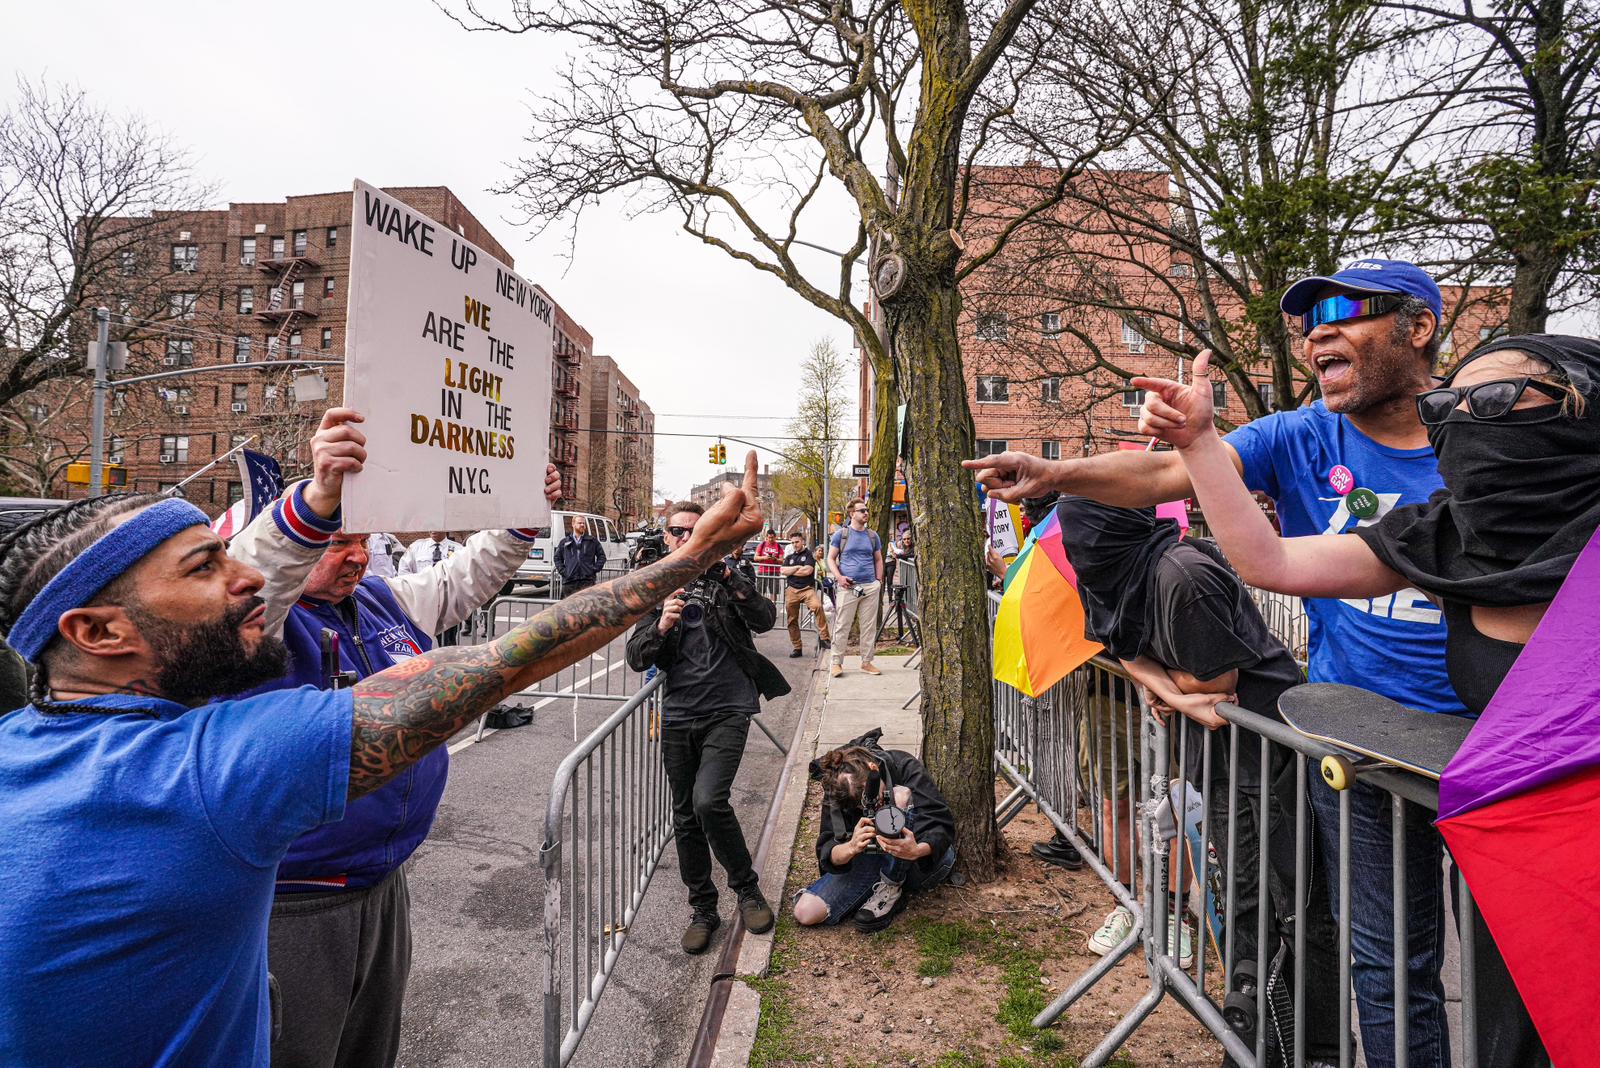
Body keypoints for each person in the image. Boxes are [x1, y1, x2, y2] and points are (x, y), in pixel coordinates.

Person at [0, 441, 766, 1066]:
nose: (250, 579)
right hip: (302, 910)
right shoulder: (214, 769)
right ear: (97, 633)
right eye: (207, 567)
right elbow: (515, 658)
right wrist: (690, 556)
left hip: (376, 886)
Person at [965, 258, 1460, 1067]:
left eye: (1346, 310)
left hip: (1502, 740)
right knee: (1391, 965)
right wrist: (1058, 473)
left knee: (1526, 965)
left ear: (1421, 326)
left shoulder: (1488, 435)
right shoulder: (1300, 435)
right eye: (1307, 322)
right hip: (1360, 749)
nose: (1318, 331)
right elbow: (1167, 470)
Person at [1133, 335, 1599, 1068]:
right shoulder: (1448, 531)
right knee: (1492, 1006)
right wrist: (1198, 443)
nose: (1468, 419)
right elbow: (1272, 560)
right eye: (1450, 406)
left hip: (1579, 852)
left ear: (1583, 405)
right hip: (1503, 826)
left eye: (1499, 400)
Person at [224, 415, 563, 1068]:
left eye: (362, 541)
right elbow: (254, 573)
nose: (354, 555)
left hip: (382, 885)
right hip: (295, 903)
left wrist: (523, 516)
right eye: (333, 542)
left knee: (369, 1051)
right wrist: (315, 499)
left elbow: (464, 579)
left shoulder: (383, 600)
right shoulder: (253, 630)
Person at [1054, 495, 1341, 1058]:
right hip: (1213, 755)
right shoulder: (1112, 576)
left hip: (1269, 750)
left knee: (1298, 908)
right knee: (1238, 895)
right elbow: (1124, 653)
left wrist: (1173, 690)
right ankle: (1257, 1039)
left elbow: (1216, 683)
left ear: (1111, 531)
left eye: (1083, 535)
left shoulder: (1182, 577)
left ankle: (1321, 1046)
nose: (1076, 550)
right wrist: (1171, 693)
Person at [625, 501, 792, 955]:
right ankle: (703, 908)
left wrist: (727, 576)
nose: (685, 538)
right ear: (667, 538)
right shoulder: (656, 585)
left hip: (728, 707)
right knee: (685, 814)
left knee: (709, 800)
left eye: (694, 531)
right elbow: (637, 656)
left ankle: (747, 890)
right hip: (679, 712)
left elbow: (763, 619)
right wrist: (660, 625)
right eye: (677, 532)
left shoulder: (727, 575)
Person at [796, 734, 956, 931]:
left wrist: (917, 850)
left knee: (901, 796)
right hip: (869, 858)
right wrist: (851, 847)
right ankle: (876, 886)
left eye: (873, 800)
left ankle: (891, 886)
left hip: (921, 860)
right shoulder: (837, 789)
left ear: (874, 770)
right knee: (805, 912)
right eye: (859, 806)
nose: (868, 809)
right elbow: (828, 851)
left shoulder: (903, 765)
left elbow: (941, 824)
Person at [827, 498, 884, 678]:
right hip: (848, 587)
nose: (866, 513)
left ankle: (866, 662)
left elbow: (878, 559)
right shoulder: (841, 535)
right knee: (842, 624)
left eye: (867, 510)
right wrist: (839, 577)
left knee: (868, 626)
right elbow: (830, 559)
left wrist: (878, 581)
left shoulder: (872, 536)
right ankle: (836, 663)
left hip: (870, 586)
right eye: (862, 510)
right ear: (852, 514)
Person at [779, 529, 831, 658]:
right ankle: (797, 647)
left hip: (807, 589)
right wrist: (797, 568)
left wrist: (793, 570)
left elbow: (807, 571)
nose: (794, 544)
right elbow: (783, 570)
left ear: (802, 541)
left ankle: (824, 638)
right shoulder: (789, 557)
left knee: (817, 606)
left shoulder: (808, 555)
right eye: (792, 542)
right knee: (792, 620)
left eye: (797, 542)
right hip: (791, 590)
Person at [554, 515, 607, 596]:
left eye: (583, 523)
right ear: (573, 524)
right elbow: (557, 558)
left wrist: (594, 569)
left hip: (587, 582)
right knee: (569, 608)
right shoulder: (564, 542)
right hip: (569, 583)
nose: (582, 525)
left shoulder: (592, 541)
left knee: (587, 607)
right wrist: (564, 572)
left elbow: (602, 556)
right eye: (579, 523)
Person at [396, 531, 463, 575]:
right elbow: (403, 571)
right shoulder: (416, 547)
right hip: (423, 593)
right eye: (430, 524)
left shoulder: (458, 549)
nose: (433, 528)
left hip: (448, 593)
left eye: (436, 525)